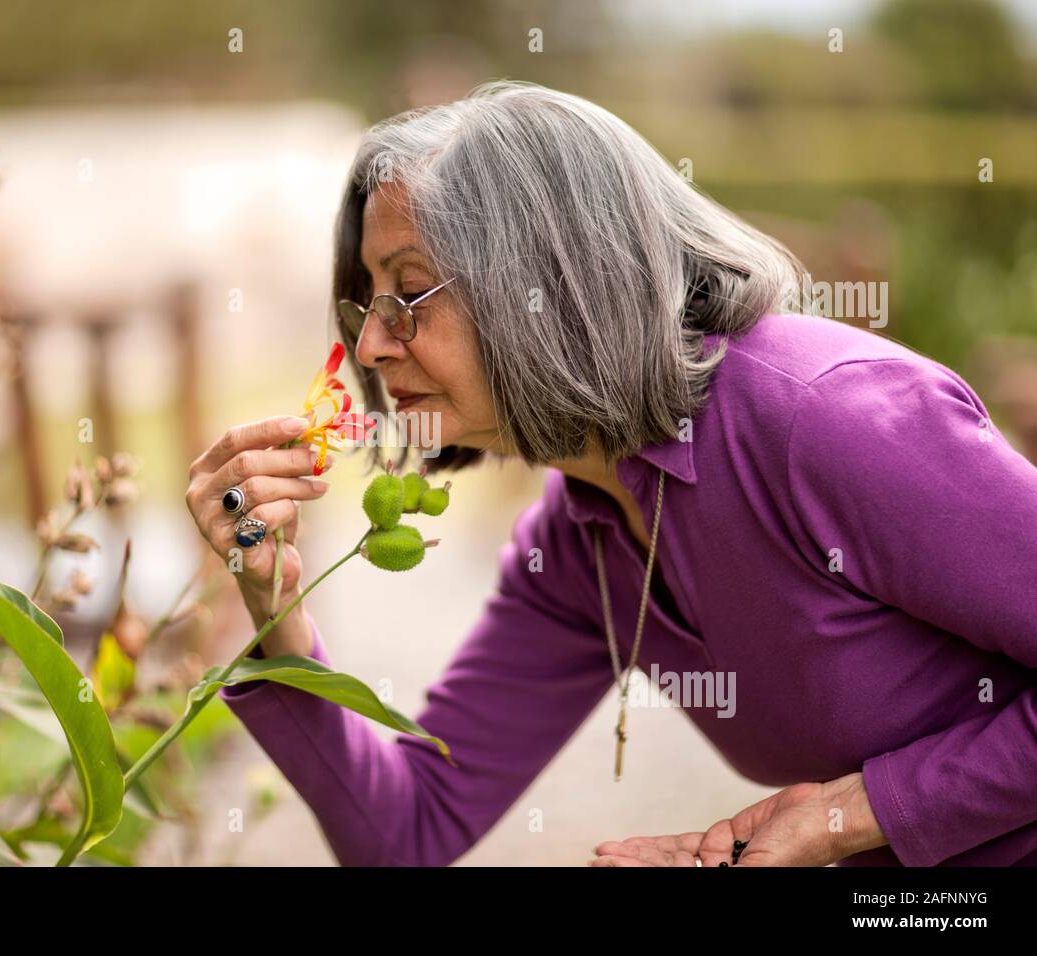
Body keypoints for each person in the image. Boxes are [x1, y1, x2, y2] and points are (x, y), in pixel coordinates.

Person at [184, 81, 1037, 867]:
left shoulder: (828, 420)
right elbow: (409, 827)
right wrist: (276, 613)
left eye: (409, 294)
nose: (370, 345)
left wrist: (849, 817)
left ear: (548, 284)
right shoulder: (582, 536)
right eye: (367, 301)